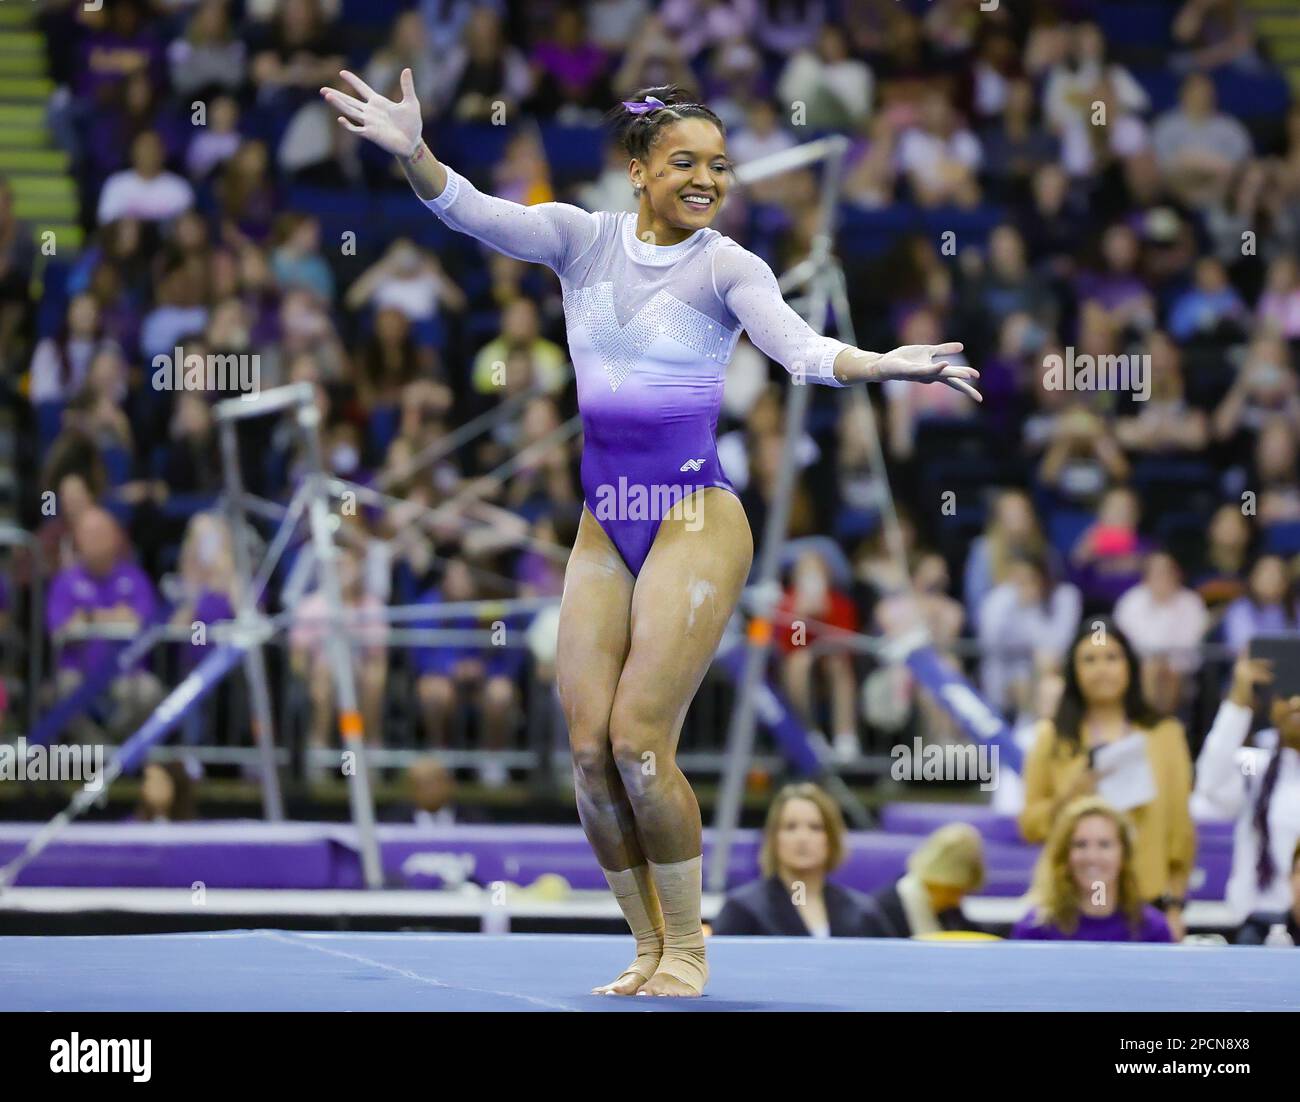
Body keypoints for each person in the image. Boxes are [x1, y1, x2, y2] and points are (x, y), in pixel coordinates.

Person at [322, 72, 979, 996]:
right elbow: (472, 213)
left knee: (639, 742)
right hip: (606, 523)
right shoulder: (579, 240)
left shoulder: (728, 267)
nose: (707, 178)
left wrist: (883, 363)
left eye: (718, 164)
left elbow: (797, 349)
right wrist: (414, 153)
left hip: (695, 517)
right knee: (589, 754)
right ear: (638, 170)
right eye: (684, 162)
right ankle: (646, 945)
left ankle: (691, 951)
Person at [1018, 618, 1195, 937]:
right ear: (1074, 671)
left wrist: (1175, 905)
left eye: (1112, 658)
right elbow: (1030, 825)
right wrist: (1070, 795)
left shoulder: (1166, 735)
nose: (1102, 669)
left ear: (1130, 666)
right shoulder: (1051, 737)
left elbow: (1180, 830)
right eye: (1090, 660)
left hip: (1147, 903)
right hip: (1071, 908)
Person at [1190, 652, 1300, 942]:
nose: (1295, 703)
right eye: (1286, 694)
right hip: (1256, 928)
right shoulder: (1257, 767)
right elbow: (1211, 783)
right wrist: (1238, 702)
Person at [710, 783, 888, 938]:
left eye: (815, 827)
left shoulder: (862, 912)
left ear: (831, 838)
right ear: (773, 838)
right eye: (790, 827)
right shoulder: (743, 911)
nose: (802, 837)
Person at [1012, 796, 1174, 943]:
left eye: (1104, 845)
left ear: (1124, 855)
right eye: (1080, 844)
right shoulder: (1035, 929)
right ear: (1064, 855)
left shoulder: (1153, 929)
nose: (1092, 856)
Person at [869, 823, 987, 938]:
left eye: (962, 892)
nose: (956, 901)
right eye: (953, 891)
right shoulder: (882, 909)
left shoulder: (949, 910)